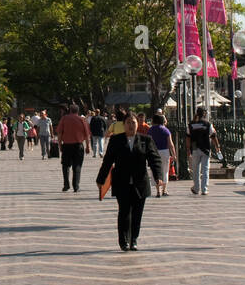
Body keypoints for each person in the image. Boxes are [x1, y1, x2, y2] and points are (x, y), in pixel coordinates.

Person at [97, 113, 162, 251]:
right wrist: (101, 179)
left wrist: (158, 176)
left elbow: (154, 159)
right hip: (122, 182)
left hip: (140, 183)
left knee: (137, 214)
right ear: (123, 125)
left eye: (133, 123)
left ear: (137, 124)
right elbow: (108, 160)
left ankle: (134, 240)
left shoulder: (146, 140)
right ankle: (124, 240)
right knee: (124, 212)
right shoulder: (116, 140)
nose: (131, 126)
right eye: (128, 123)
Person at [56, 103, 91, 193]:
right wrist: (88, 146)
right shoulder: (82, 120)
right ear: (78, 111)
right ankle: (76, 186)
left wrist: (60, 145)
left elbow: (59, 134)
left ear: (70, 110)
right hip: (78, 146)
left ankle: (66, 185)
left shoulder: (64, 119)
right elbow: (87, 135)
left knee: (65, 166)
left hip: (67, 146)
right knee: (77, 166)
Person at [187, 107, 220, 196]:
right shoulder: (208, 124)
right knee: (205, 169)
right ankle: (204, 189)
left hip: (194, 148)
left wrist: (188, 150)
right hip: (205, 148)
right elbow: (213, 136)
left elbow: (188, 138)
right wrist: (217, 147)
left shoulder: (191, 125)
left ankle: (196, 188)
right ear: (204, 114)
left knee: (195, 169)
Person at [148, 112, 175, 196]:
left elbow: (148, 142)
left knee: (155, 171)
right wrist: (174, 154)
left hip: (154, 151)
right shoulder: (166, 130)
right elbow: (170, 143)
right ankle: (164, 190)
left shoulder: (151, 130)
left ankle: (158, 191)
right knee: (165, 171)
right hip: (164, 152)